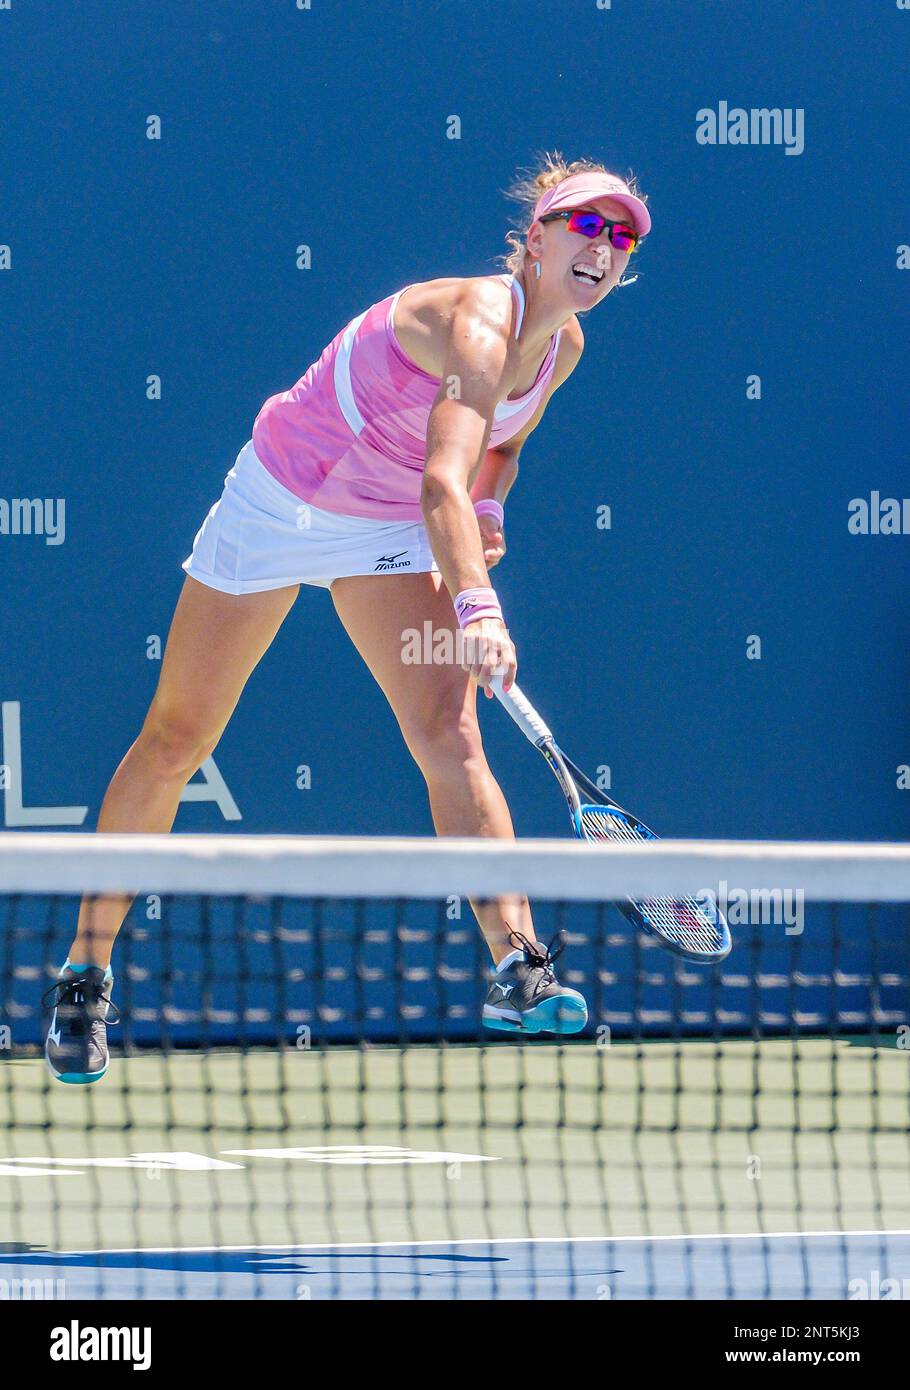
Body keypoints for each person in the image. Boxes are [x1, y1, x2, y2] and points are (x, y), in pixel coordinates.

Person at [43, 153, 650, 1083]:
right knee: (176, 739)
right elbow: (440, 476)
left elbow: (494, 457)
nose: (603, 248)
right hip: (282, 507)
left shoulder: (562, 347)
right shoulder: (480, 320)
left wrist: (485, 522)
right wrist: (479, 606)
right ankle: (86, 972)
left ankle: (516, 965)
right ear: (535, 237)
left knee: (451, 731)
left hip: (390, 532)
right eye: (585, 225)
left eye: (623, 235)